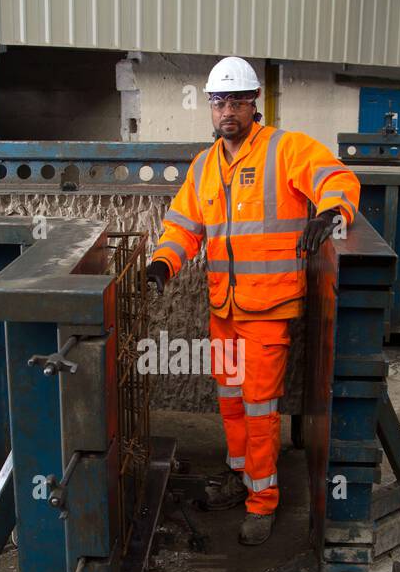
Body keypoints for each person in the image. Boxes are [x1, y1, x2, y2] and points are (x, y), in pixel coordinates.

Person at [146, 56, 360, 546]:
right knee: (231, 403)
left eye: (237, 102)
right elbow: (184, 227)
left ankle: (262, 503)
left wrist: (330, 211)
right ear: (211, 107)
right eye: (219, 102)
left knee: (260, 411)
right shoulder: (204, 166)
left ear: (253, 104)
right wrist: (163, 263)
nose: (228, 112)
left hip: (268, 312)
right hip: (224, 309)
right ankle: (239, 477)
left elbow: (336, 177)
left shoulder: (285, 149)